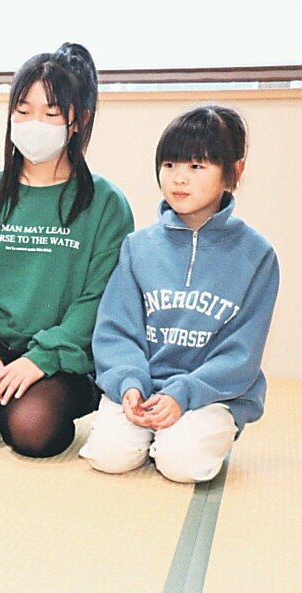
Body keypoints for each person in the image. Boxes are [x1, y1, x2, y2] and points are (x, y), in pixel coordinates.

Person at [0, 43, 135, 458]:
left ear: (78, 121)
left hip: (60, 356)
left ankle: (13, 407)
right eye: (22, 111)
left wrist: (41, 359)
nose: (32, 124)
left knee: (31, 430)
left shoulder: (107, 205)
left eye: (50, 113)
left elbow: (99, 299)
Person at [80, 106, 279, 482]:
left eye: (197, 166)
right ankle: (150, 431)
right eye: (170, 165)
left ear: (233, 171)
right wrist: (129, 384)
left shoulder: (257, 255)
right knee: (110, 456)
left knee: (182, 464)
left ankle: (191, 436)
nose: (179, 179)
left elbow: (242, 352)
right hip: (143, 389)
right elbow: (116, 330)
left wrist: (184, 394)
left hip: (211, 395)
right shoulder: (137, 248)